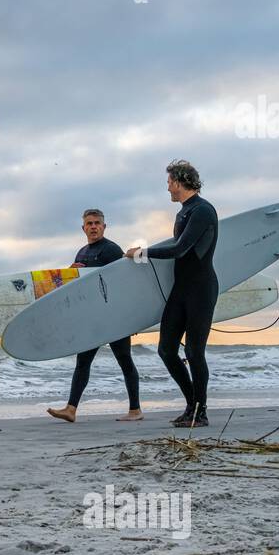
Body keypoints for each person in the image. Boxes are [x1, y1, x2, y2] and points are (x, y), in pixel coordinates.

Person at [125, 160, 218, 427]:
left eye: (169, 182)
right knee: (166, 349)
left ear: (179, 181)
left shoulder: (202, 210)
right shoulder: (184, 212)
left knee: (194, 351)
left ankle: (200, 412)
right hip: (181, 289)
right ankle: (192, 405)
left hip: (201, 290)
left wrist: (141, 253)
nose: (167, 188)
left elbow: (179, 249)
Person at [46, 208, 142, 423]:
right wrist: (71, 271)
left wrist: (131, 316)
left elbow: (124, 282)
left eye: (97, 223)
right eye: (89, 223)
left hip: (114, 317)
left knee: (124, 360)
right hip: (92, 317)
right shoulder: (81, 253)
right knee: (83, 362)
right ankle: (71, 409)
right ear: (83, 228)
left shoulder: (111, 250)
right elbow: (80, 286)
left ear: (104, 226)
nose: (93, 227)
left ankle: (135, 410)